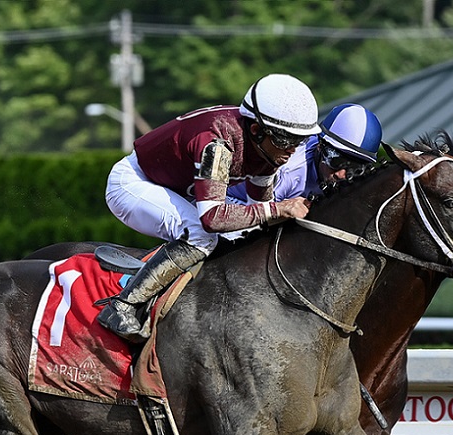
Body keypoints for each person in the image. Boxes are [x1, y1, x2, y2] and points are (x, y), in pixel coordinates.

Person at [97, 73, 321, 342]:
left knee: (240, 236)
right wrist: (279, 209)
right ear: (255, 130)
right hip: (132, 184)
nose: (292, 151)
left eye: (298, 141)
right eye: (285, 140)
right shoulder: (217, 142)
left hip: (176, 191)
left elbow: (258, 209)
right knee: (201, 234)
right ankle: (123, 306)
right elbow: (212, 218)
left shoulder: (268, 150)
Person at [228, 102, 383, 207]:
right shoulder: (287, 172)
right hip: (234, 203)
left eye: (355, 168)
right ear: (320, 147)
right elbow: (260, 216)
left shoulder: (342, 178)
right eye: (337, 161)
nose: (342, 175)